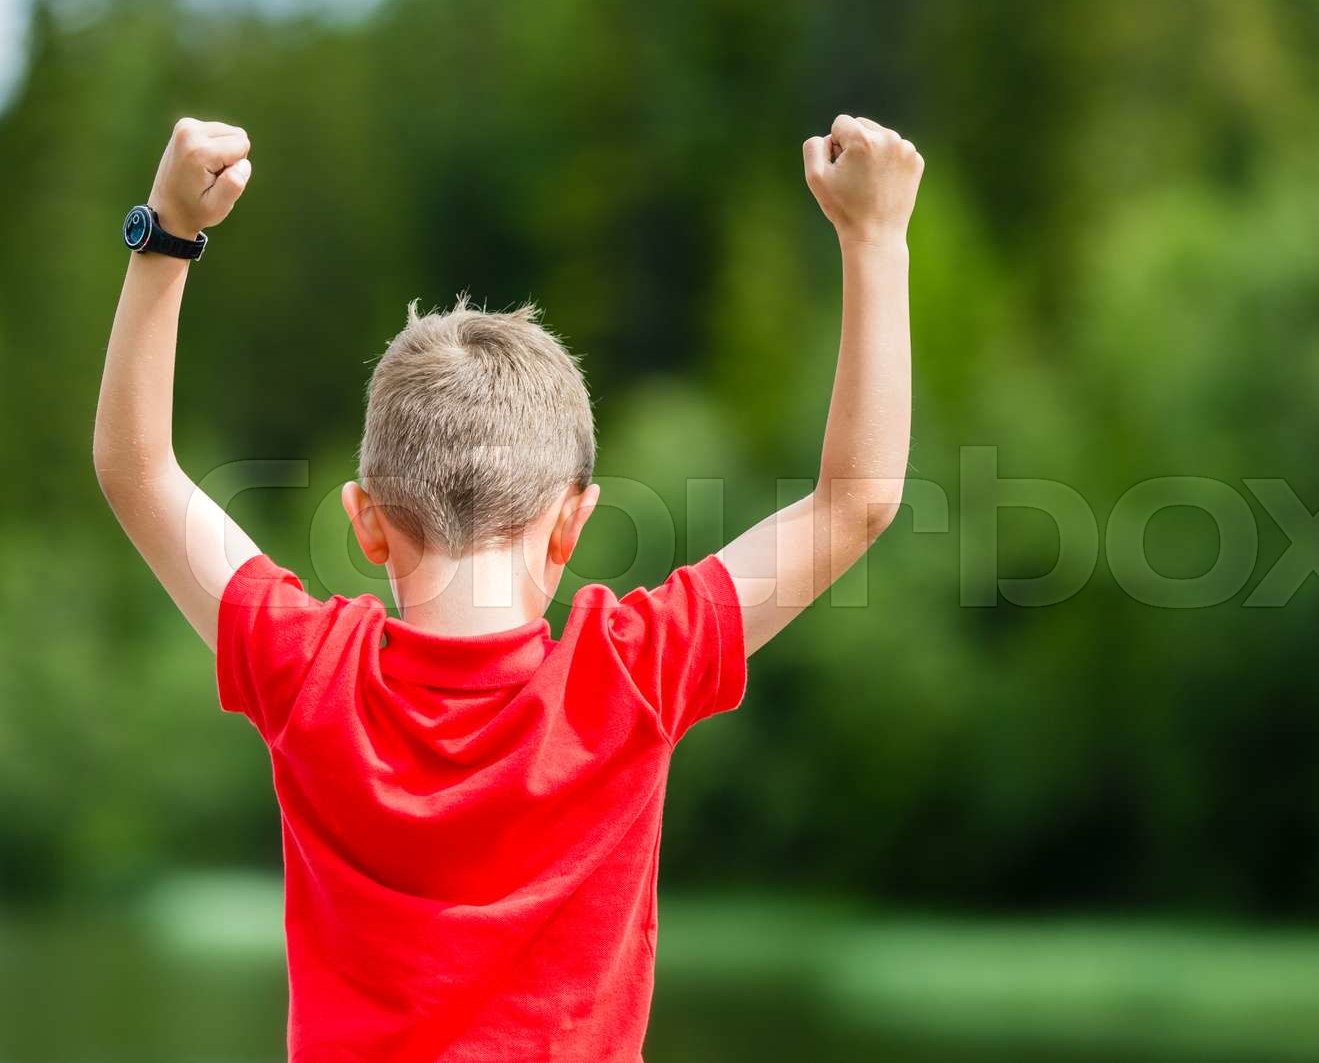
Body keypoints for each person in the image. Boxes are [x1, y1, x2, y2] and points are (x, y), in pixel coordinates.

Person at [92, 113, 922, 1060]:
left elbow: (137, 469)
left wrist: (165, 232)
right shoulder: (633, 675)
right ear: (574, 521)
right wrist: (875, 236)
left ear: (365, 520)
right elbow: (856, 502)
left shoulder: (308, 671)